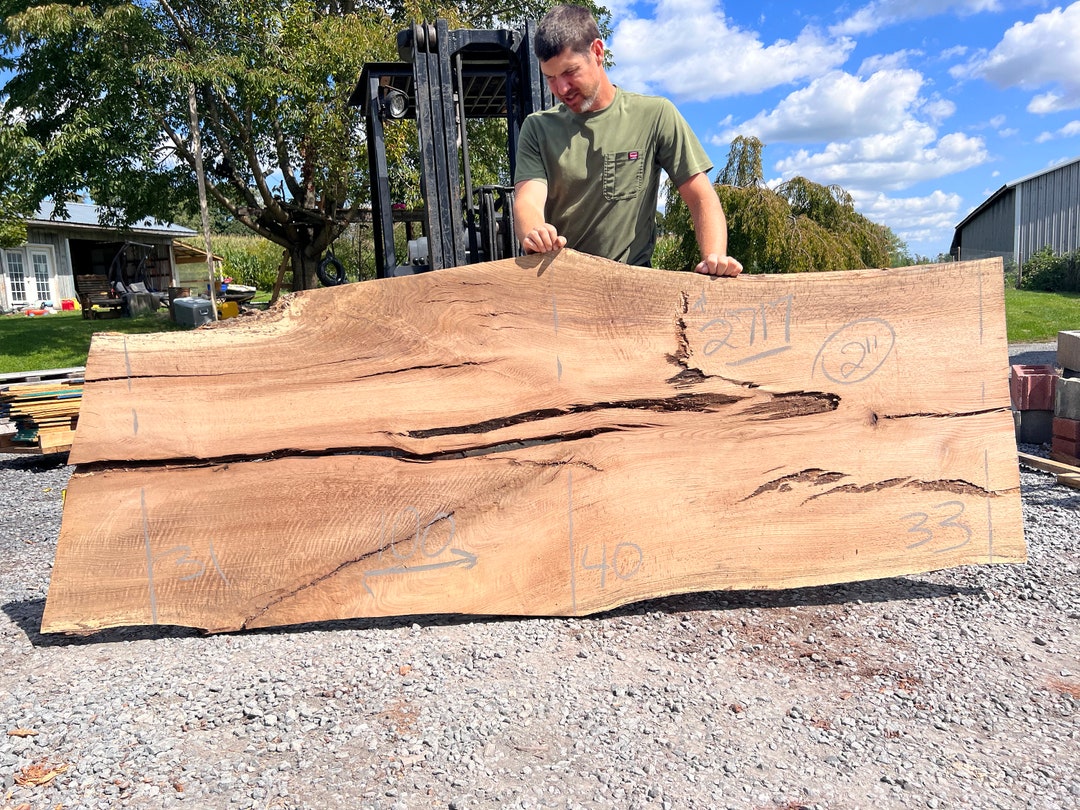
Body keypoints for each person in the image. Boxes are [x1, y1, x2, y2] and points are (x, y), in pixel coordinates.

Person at [513, 4, 742, 277]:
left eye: (570, 72)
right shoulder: (537, 128)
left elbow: (701, 197)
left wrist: (714, 258)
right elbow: (528, 200)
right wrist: (535, 232)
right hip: (560, 285)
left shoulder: (655, 115)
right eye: (550, 78)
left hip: (632, 284)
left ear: (598, 52)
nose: (561, 88)